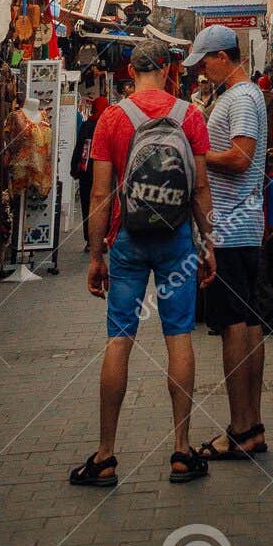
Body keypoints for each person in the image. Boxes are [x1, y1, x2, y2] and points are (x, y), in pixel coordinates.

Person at [70, 45, 216, 489]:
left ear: (130, 72)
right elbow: (201, 186)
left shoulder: (111, 118)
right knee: (179, 337)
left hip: (127, 240)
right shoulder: (190, 115)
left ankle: (106, 455)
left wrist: (97, 255)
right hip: (175, 240)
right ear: (171, 70)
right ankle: (181, 451)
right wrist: (207, 243)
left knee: (119, 339)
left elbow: (99, 194)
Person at [185, 24, 269, 462]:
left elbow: (240, 157)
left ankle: (240, 428)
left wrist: (194, 153)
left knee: (234, 325)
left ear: (222, 56)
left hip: (231, 231)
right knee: (248, 323)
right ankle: (250, 426)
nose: (202, 70)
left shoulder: (241, 97)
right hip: (240, 227)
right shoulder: (239, 97)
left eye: (204, 61)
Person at [70, 95, 107, 252]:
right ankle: (103, 238)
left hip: (87, 172)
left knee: (87, 206)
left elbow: (79, 148)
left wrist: (74, 168)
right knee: (105, 205)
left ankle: (90, 240)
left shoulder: (86, 125)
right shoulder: (108, 124)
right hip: (105, 172)